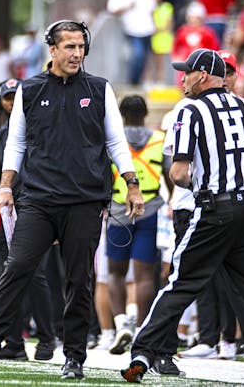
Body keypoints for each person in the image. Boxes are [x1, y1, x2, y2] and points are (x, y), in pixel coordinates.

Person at [0, 20, 144, 381]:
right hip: (39, 198)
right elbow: (16, 143)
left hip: (85, 200)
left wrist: (132, 184)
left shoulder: (99, 89)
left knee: (78, 279)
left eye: (81, 46)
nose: (77, 53)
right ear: (53, 49)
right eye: (69, 47)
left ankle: (74, 357)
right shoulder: (30, 91)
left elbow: (115, 143)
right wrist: (4, 187)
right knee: (17, 266)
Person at [121, 48, 244, 386]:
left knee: (180, 283)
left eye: (187, 73)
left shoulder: (190, 111)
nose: (182, 79)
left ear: (202, 75)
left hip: (214, 209)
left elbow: (177, 173)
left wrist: (207, 182)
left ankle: (142, 356)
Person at [0, 78, 56, 361]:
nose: (10, 102)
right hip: (9, 212)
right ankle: (14, 342)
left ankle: (46, 339)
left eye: (14, 97)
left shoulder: (41, 129)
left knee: (36, 276)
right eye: (7, 98)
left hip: (36, 209)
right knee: (8, 275)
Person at [105, 95, 165, 355]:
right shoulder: (159, 140)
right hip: (150, 209)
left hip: (119, 211)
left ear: (121, 114)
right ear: (145, 113)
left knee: (115, 272)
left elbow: (104, 176)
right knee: (143, 277)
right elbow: (171, 178)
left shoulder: (112, 142)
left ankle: (120, 325)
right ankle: (141, 329)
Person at [106, 0, 156, 85]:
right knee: (137, 54)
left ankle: (140, 80)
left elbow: (151, 8)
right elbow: (112, 9)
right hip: (132, 29)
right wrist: (127, 7)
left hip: (147, 28)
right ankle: (133, 80)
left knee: (145, 57)